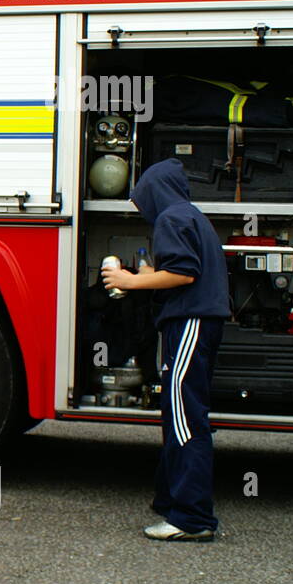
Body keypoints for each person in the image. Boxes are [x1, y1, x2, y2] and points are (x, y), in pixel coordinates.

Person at [102, 158, 230, 542]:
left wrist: (127, 280)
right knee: (180, 412)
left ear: (153, 193)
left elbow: (183, 272)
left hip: (190, 322)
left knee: (185, 418)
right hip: (200, 322)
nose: (143, 209)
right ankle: (170, 499)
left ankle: (192, 518)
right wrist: (146, 278)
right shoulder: (189, 214)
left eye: (143, 200)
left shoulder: (170, 219)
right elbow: (184, 271)